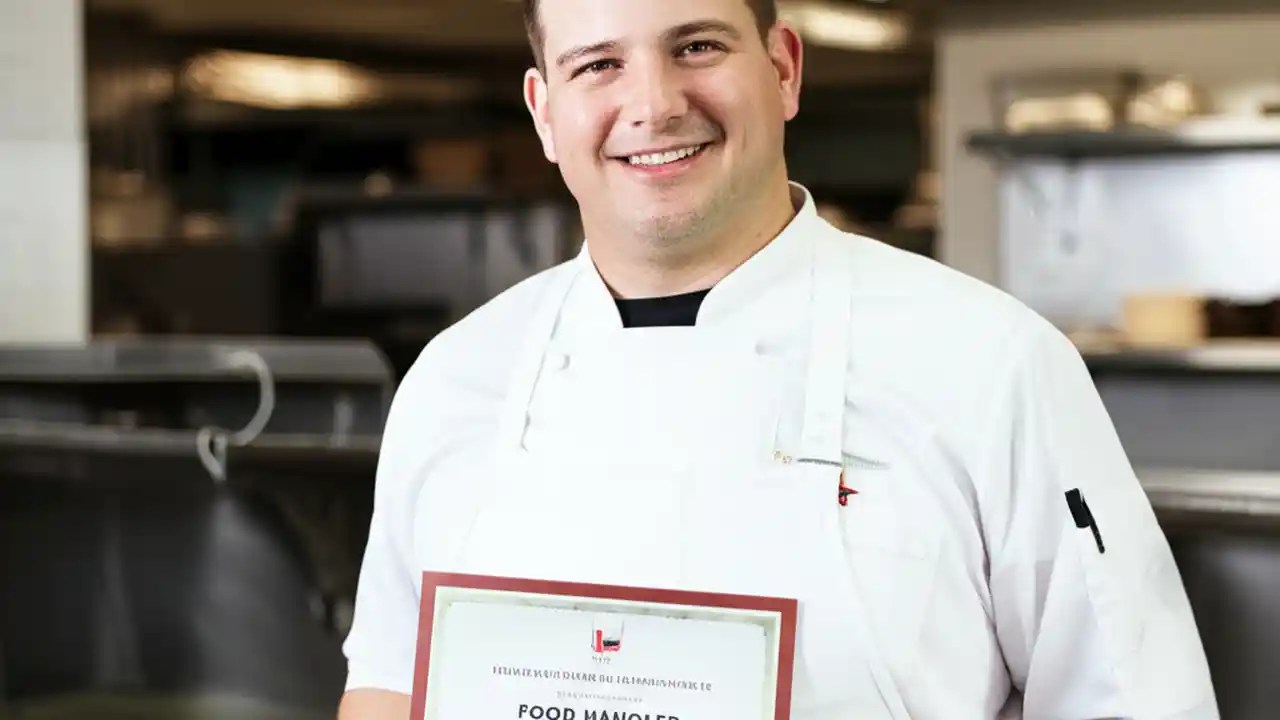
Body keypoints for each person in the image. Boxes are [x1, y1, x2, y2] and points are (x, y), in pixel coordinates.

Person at [337, 0, 1218, 716]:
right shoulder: (454, 379)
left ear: (785, 68)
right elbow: (386, 683)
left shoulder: (992, 362)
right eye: (598, 63)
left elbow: (1131, 698)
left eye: (696, 46)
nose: (654, 102)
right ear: (543, 111)